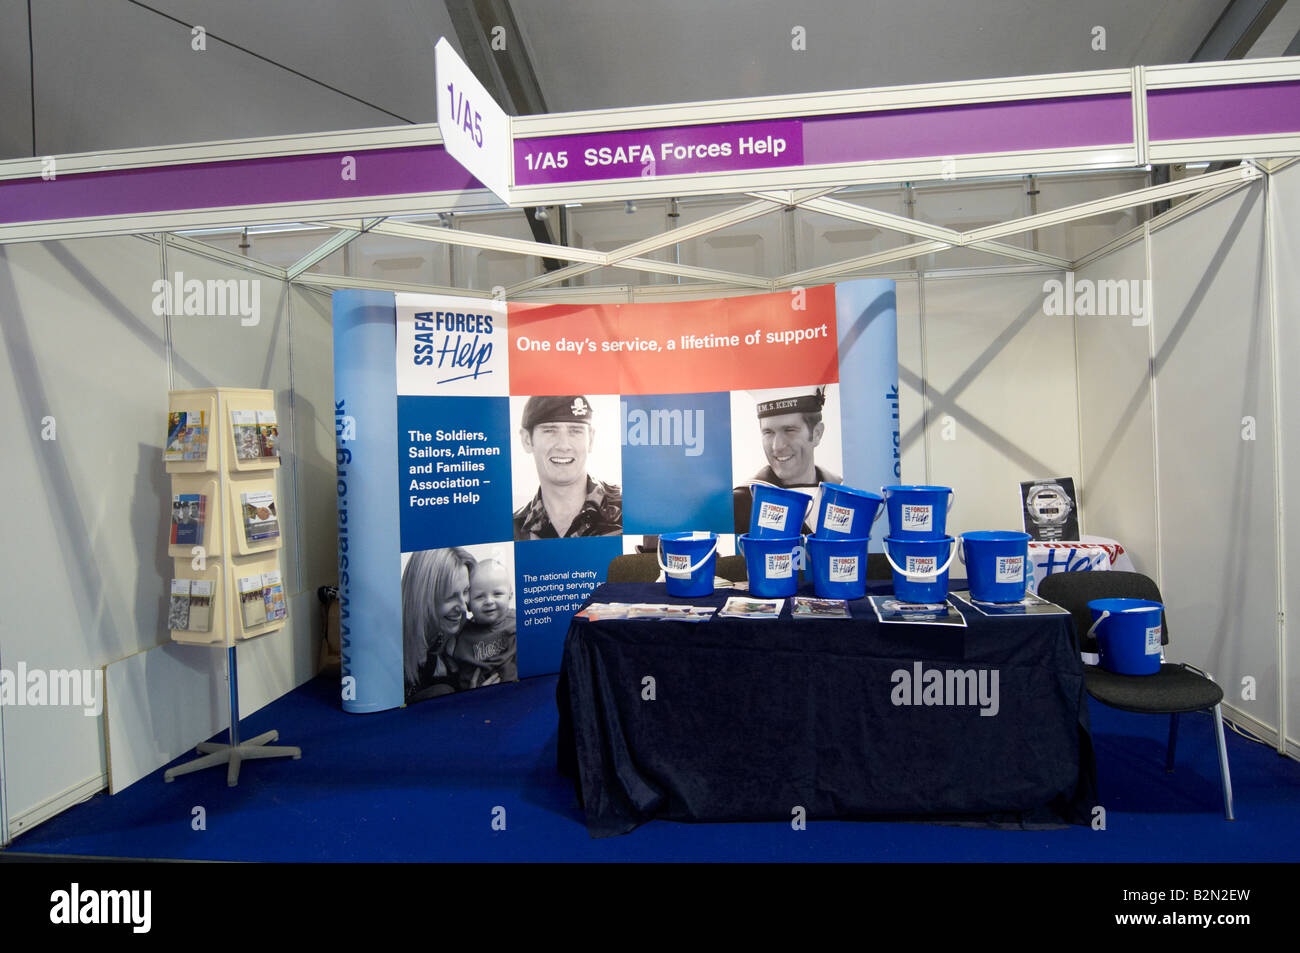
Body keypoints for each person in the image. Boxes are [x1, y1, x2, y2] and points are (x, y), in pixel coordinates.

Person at [733, 387, 841, 535]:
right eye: (768, 432)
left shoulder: (841, 494)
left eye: (789, 430)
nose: (777, 446)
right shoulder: (741, 504)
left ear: (817, 434)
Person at [513, 395, 622, 539]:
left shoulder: (629, 510)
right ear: (527, 440)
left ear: (591, 439)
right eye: (550, 430)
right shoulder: (512, 531)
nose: (564, 446)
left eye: (575, 431)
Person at [401, 547, 476, 704]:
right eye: (450, 596)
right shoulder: (390, 654)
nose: (464, 607)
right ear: (421, 598)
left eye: (466, 591)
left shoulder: (461, 637)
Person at [449, 558, 518, 690]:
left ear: (510, 595)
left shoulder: (517, 622)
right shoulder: (459, 631)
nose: (489, 601)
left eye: (497, 594)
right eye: (479, 596)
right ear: (468, 604)